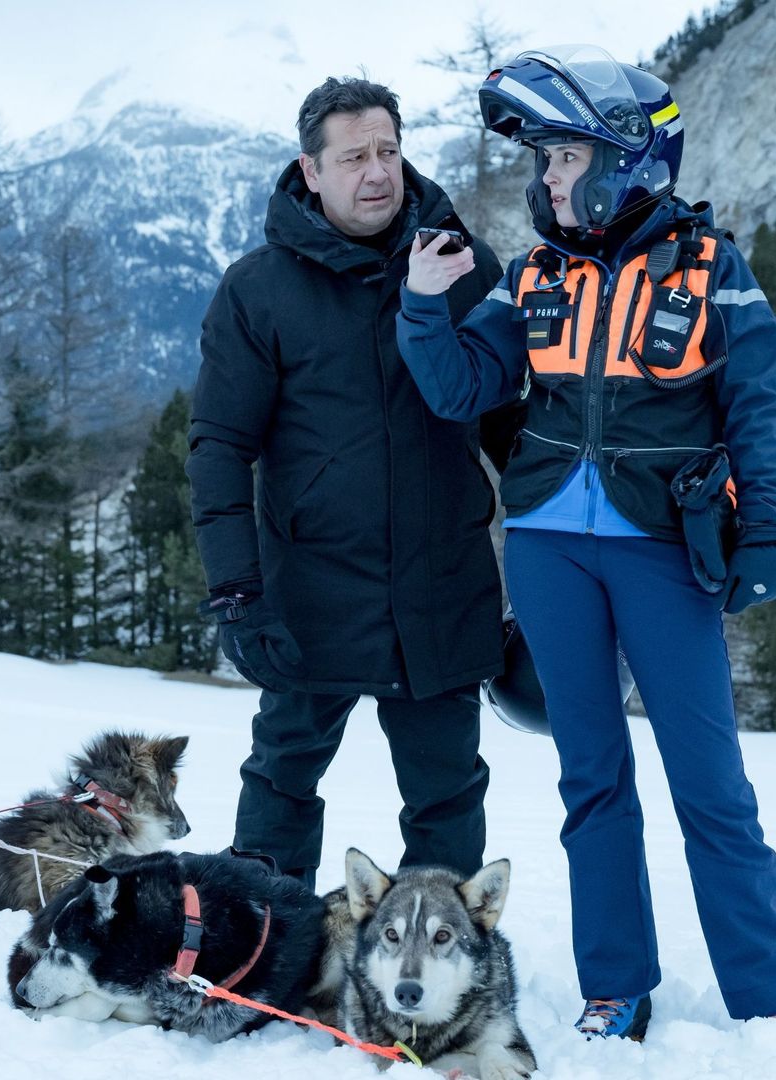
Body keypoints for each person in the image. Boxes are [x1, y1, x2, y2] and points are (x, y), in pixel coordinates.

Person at [395, 47, 776, 1043]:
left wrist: (768, 532)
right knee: (591, 778)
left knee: (710, 785)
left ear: (627, 156)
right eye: (542, 161)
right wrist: (423, 304)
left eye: (562, 158)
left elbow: (754, 413)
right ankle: (615, 987)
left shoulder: (717, 272)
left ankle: (770, 996)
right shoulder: (535, 276)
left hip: (665, 550)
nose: (546, 178)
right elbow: (461, 389)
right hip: (545, 549)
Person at [186, 77, 506, 887]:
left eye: (389, 152)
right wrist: (236, 591)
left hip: (441, 588)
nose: (377, 173)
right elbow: (220, 446)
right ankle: (261, 955)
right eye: (355, 156)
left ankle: (434, 982)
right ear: (312, 169)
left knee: (446, 796)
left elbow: (512, 426)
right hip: (311, 597)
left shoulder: (465, 268)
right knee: (281, 782)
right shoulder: (258, 289)